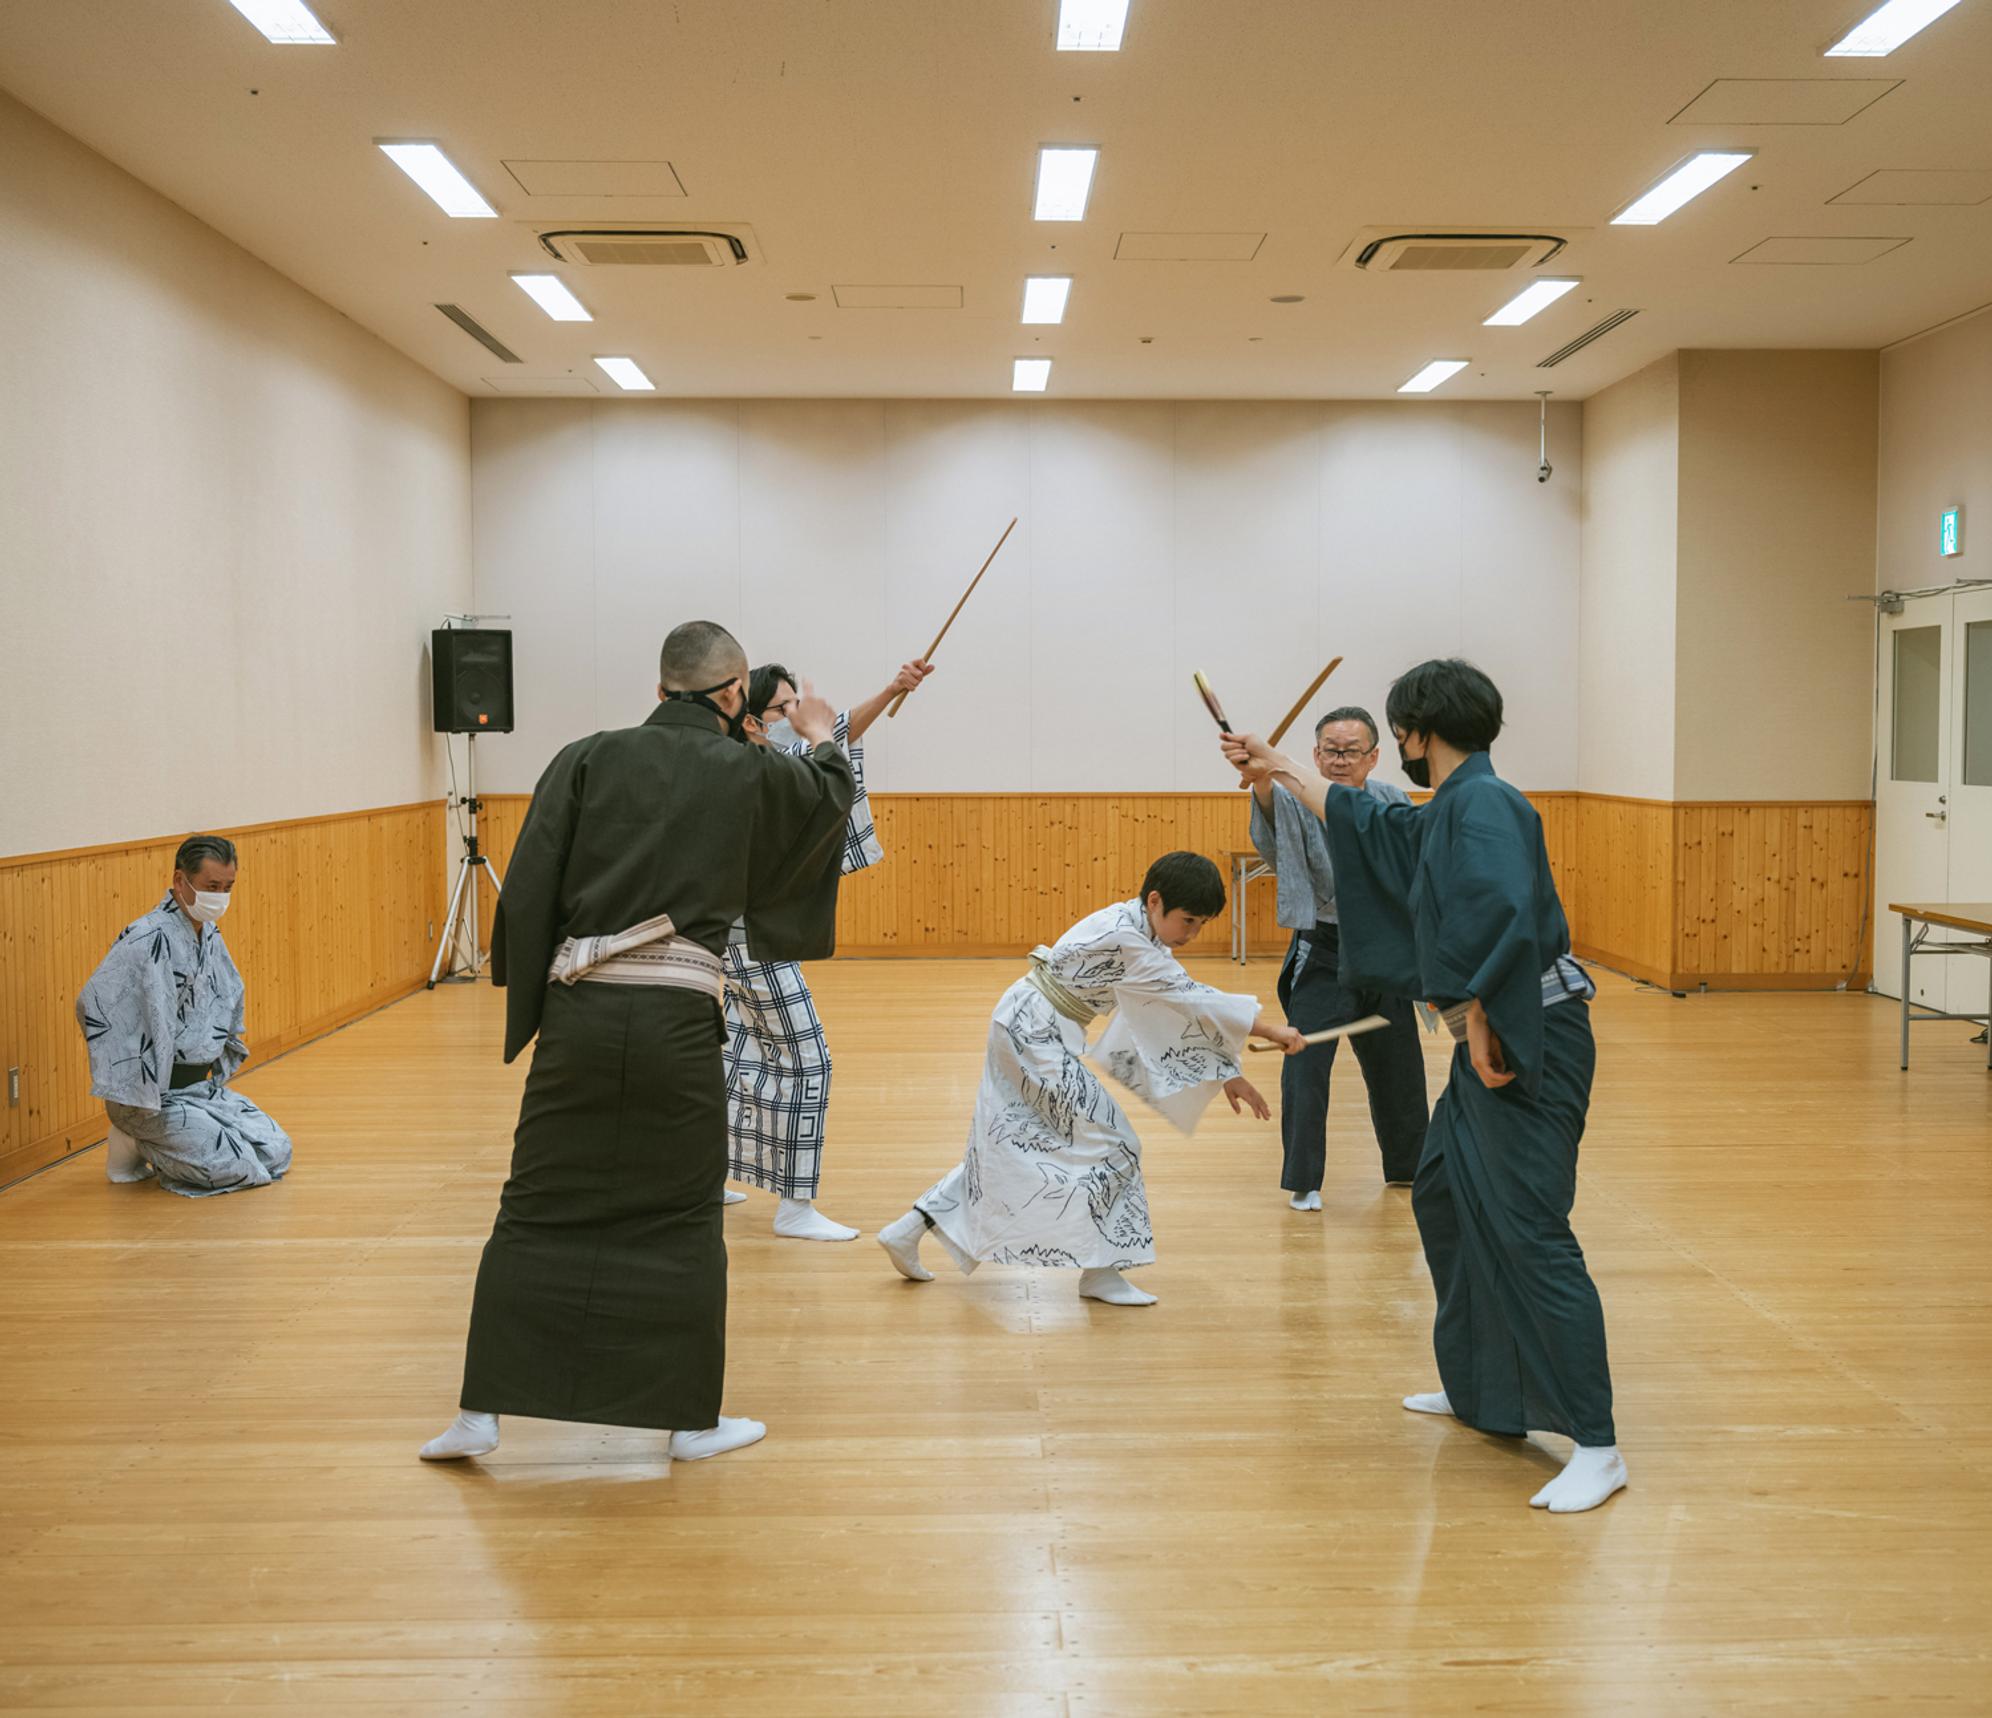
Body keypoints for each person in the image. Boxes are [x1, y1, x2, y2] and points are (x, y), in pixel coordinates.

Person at [419, 621, 855, 1466]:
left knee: (537, 1204)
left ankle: (481, 1414)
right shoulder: (753, 768)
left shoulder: (586, 757)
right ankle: (690, 1422)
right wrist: (822, 737)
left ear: (660, 692)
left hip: (580, 1012)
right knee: (683, 1214)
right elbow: (823, 802)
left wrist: (536, 1002)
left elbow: (534, 880)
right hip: (676, 1021)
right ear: (736, 697)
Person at [1222, 659, 1624, 1513]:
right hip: (1501, 1028)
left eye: (1397, 731)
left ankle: (1597, 1442)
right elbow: (1379, 832)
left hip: (1528, 1035)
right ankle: (1488, 1391)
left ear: (1414, 730)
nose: (1396, 745)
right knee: (1443, 1195)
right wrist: (1282, 766)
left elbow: (1502, 912)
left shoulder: (1486, 804)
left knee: (1531, 1229)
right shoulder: (1456, 802)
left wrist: (1481, 1019)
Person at [876, 852, 1304, 1306]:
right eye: (1188, 921)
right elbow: (1190, 997)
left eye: (1201, 925)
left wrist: (1227, 1074)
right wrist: (1272, 1028)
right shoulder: (1127, 937)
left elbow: (1169, 1004)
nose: (1193, 935)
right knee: (1116, 1144)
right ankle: (1101, 1272)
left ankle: (908, 1230)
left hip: (1030, 1025)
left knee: (1019, 1139)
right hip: (1033, 1033)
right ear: (1155, 901)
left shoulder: (1139, 931)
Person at [721, 656, 934, 1241]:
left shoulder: (748, 761)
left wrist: (892, 687)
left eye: (797, 705)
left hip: (734, 942)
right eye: (782, 708)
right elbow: (831, 738)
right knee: (809, 1062)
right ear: (755, 722)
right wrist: (888, 688)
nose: (796, 715)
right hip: (756, 943)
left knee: (739, 1055)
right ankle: (794, 1209)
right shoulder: (763, 764)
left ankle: (711, 1176)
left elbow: (832, 736)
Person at [1248, 705, 1428, 1209]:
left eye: (1352, 751)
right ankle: (1304, 1179)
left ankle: (1410, 1166)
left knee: (1400, 1063)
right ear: (1315, 754)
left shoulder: (1392, 799)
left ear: (1373, 757)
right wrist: (1262, 781)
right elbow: (1271, 837)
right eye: (1331, 750)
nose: (1340, 760)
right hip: (1324, 947)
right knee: (1304, 1061)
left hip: (1385, 947)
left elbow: (1412, 867)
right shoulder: (1293, 798)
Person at [76, 834, 293, 1197]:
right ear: (181, 881)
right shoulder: (146, 937)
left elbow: (227, 993)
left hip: (198, 1088)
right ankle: (133, 1140)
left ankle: (171, 1139)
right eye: (212, 886)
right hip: (148, 1100)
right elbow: (93, 1001)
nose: (220, 896)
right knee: (237, 1165)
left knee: (275, 1149)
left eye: (228, 887)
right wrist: (137, 1072)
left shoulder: (207, 932)